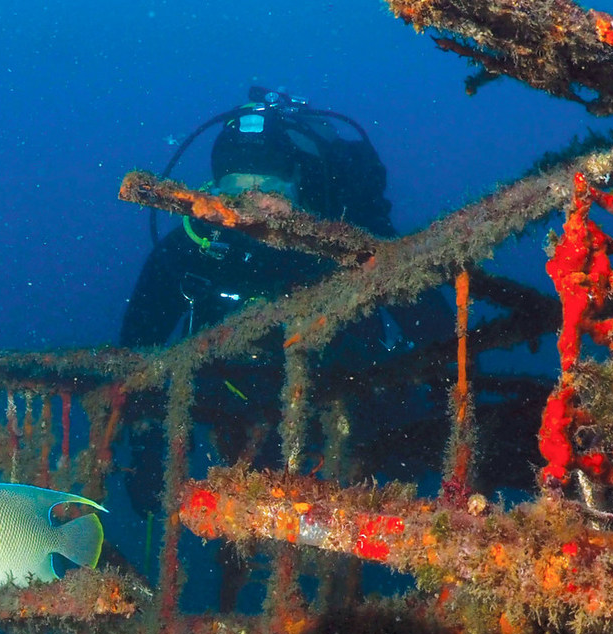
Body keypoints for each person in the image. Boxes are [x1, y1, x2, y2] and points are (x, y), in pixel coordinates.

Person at [116, 89, 454, 511]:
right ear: (213, 191)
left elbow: (439, 335)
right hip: (234, 414)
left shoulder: (353, 245)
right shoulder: (185, 253)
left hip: (355, 401)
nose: (252, 208)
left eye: (269, 189)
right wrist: (147, 453)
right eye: (236, 191)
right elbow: (134, 357)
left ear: (298, 181)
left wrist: (444, 415)